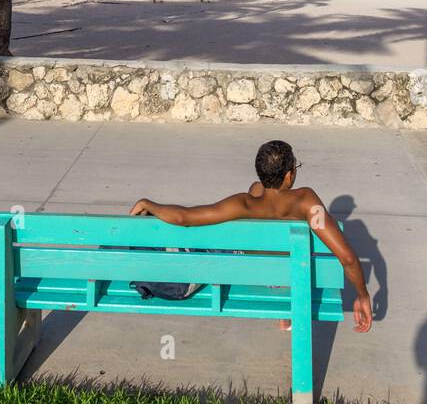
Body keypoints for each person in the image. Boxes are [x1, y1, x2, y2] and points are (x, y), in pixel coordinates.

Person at [129, 138, 373, 333]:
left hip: (256, 273)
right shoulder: (308, 201)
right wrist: (362, 295)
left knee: (251, 199)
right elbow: (348, 258)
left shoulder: (244, 204)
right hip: (288, 276)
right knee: (293, 260)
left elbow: (184, 218)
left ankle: (282, 315)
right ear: (289, 175)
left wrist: (148, 203)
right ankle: (285, 315)